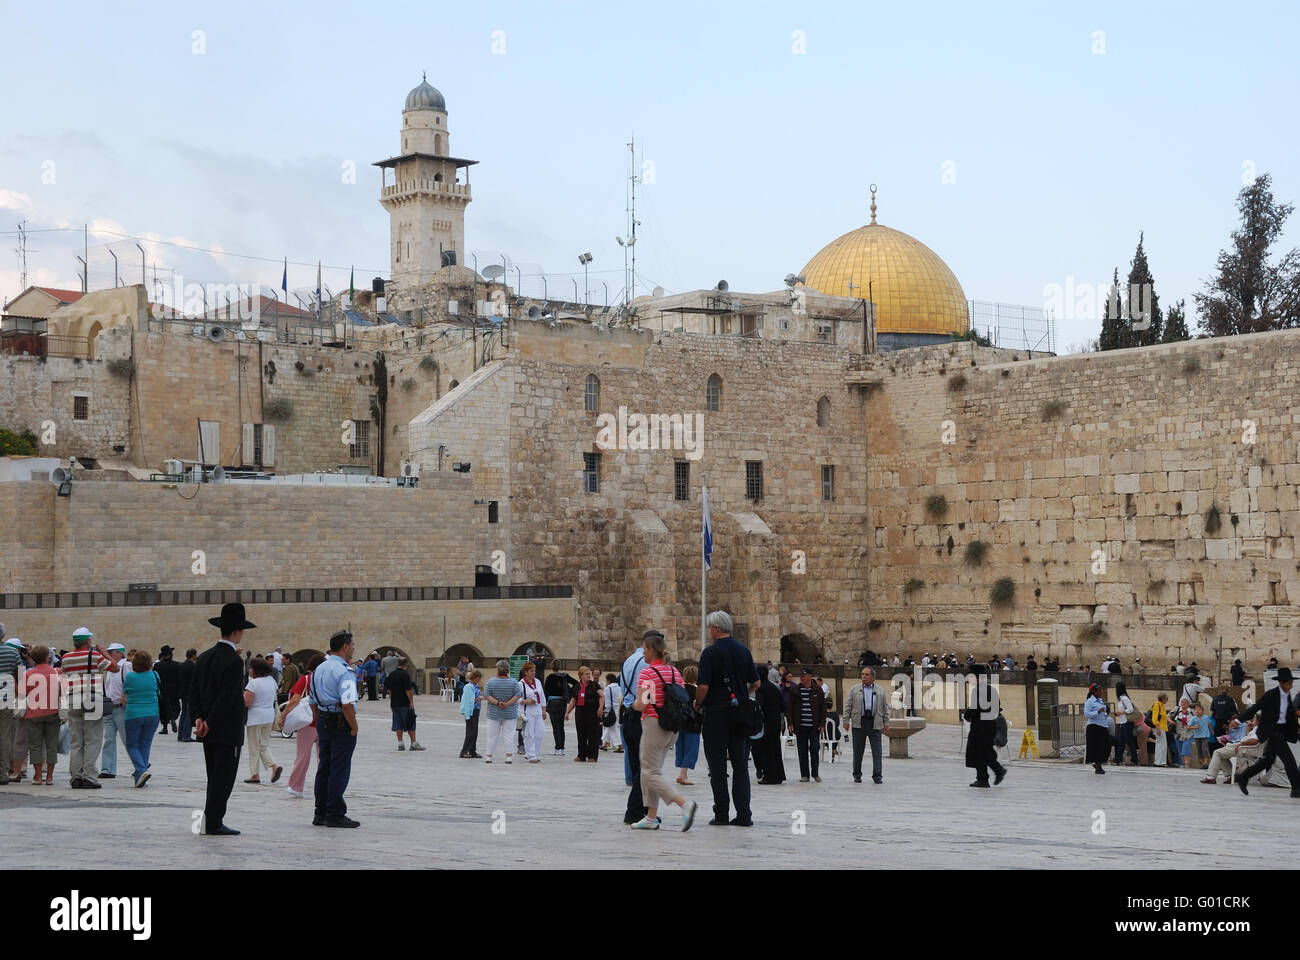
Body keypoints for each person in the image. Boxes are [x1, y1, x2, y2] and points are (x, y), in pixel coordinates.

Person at [192, 604, 254, 835]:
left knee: (213, 776)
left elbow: (194, 690)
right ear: (237, 631)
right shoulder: (234, 661)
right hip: (226, 729)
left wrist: (199, 718)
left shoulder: (205, 657)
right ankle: (213, 823)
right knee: (224, 778)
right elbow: (228, 696)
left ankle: (207, 820)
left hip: (207, 728)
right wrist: (211, 722)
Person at [695, 611, 760, 826]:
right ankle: (744, 814)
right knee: (740, 764)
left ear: (715, 628)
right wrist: (742, 695)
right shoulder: (743, 650)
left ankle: (721, 813)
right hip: (740, 713)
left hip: (716, 713)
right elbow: (756, 683)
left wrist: (698, 703)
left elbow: (703, 686)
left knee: (718, 766)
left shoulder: (709, 653)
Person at [628, 632, 697, 831]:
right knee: (651, 772)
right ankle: (651, 817)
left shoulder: (648, 673)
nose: (643, 653)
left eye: (644, 649)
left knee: (649, 771)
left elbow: (643, 704)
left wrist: (632, 705)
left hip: (654, 724)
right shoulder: (675, 672)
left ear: (650, 650)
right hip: (673, 727)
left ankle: (684, 803)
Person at [309, 629, 361, 827]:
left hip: (324, 720)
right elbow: (347, 704)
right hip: (341, 722)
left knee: (324, 767)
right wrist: (353, 726)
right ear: (345, 647)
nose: (353, 649)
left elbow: (312, 701)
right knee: (339, 767)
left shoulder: (318, 670)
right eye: (352, 646)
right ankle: (335, 813)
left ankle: (320, 812)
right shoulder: (344, 671)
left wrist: (321, 718)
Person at [61, 627, 121, 790]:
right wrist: (103, 652)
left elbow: (63, 674)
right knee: (93, 739)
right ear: (88, 641)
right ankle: (89, 777)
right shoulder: (94, 655)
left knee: (76, 741)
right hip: (92, 698)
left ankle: (76, 776)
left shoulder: (66, 657)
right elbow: (115, 668)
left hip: (73, 699)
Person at [1236, 667, 1300, 797]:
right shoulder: (1271, 694)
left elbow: (1288, 714)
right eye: (1289, 683)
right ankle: (1296, 790)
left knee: (1268, 760)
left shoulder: (1286, 695)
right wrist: (1238, 720)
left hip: (1280, 731)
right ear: (1281, 683)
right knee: (1289, 760)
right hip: (1272, 731)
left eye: (1291, 683)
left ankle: (1243, 776)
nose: (1291, 685)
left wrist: (1295, 729)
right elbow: (1256, 707)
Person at [620, 636, 651, 824]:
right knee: (645, 768)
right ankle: (635, 811)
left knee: (636, 766)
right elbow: (647, 697)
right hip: (641, 717)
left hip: (627, 716)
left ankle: (641, 810)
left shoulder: (629, 660)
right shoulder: (647, 665)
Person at [283, 654, 325, 798]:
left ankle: (296, 787)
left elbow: (295, 699)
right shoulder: (326, 680)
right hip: (324, 722)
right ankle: (324, 788)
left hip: (307, 723)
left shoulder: (306, 679)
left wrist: (283, 716)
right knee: (324, 758)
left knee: (302, 757)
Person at [121, 650, 161, 787]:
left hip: (134, 714)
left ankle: (141, 770)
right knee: (145, 744)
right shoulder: (155, 675)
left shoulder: (130, 677)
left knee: (132, 744)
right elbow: (158, 691)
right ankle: (139, 778)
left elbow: (125, 694)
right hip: (153, 713)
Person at [844, 666, 890, 784]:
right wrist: (846, 720)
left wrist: (886, 723)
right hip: (859, 723)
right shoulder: (855, 689)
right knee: (858, 750)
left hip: (875, 723)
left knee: (877, 751)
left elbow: (885, 708)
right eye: (862, 674)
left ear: (873, 677)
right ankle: (857, 774)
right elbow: (848, 706)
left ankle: (877, 775)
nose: (863, 677)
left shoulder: (880, 691)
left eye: (866, 675)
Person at [23, 645, 61, 786]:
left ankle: (38, 776)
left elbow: (23, 693)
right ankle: (49, 776)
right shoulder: (56, 672)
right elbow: (61, 692)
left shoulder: (28, 674)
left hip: (34, 713)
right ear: (48, 657)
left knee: (35, 745)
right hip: (52, 712)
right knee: (51, 745)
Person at [965, 665, 1007, 787]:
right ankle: (984, 778)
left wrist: (967, 716)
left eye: (971, 677)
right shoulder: (991, 690)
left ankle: (996, 772)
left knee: (980, 752)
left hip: (980, 726)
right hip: (991, 725)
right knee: (983, 751)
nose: (969, 679)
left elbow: (974, 708)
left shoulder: (977, 691)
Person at [243, 658, 283, 784]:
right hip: (269, 716)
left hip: (255, 717)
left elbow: (247, 703)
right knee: (263, 745)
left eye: (251, 668)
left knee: (254, 746)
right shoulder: (271, 681)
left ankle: (255, 774)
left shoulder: (253, 684)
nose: (249, 670)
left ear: (256, 670)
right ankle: (274, 767)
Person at [786, 668, 827, 783]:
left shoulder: (817, 690)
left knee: (814, 749)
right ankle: (805, 775)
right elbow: (790, 709)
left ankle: (815, 774)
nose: (802, 677)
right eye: (801, 675)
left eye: (804, 675)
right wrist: (790, 723)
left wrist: (822, 724)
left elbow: (823, 708)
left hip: (814, 727)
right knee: (802, 751)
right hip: (800, 726)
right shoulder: (795, 690)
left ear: (809, 676)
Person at [98, 642, 130, 779]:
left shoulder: (126, 666)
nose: (110, 655)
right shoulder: (109, 668)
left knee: (127, 739)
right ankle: (107, 769)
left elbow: (130, 684)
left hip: (121, 707)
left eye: (112, 652)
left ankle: (140, 764)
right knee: (108, 739)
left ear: (120, 653)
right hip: (109, 707)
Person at [481, 659, 520, 764]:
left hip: (494, 713)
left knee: (491, 735)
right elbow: (517, 695)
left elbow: (487, 695)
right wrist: (507, 704)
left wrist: (498, 703)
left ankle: (489, 756)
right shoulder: (514, 682)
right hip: (510, 713)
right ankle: (509, 756)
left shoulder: (491, 681)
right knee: (509, 735)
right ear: (508, 670)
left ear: (497, 670)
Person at [751, 671, 786, 785]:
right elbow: (783, 706)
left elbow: (760, 706)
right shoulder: (774, 687)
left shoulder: (760, 689)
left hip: (766, 723)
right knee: (776, 749)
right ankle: (779, 776)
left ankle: (769, 776)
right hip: (775, 722)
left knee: (766, 750)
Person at [1202, 717, 1260, 784]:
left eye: (1254, 719)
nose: (1253, 721)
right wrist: (1248, 729)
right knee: (1221, 754)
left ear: (1258, 721)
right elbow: (1250, 738)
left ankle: (1211, 777)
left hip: (1244, 748)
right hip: (1246, 747)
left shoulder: (1259, 729)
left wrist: (1241, 743)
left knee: (1217, 753)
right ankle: (1232, 776)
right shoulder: (1258, 728)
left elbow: (1255, 741)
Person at [387, 656, 423, 752]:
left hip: (394, 703)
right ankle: (413, 743)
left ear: (397, 664)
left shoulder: (392, 674)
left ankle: (400, 743)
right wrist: (411, 702)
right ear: (406, 665)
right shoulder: (405, 675)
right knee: (410, 721)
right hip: (404, 703)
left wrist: (392, 698)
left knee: (397, 723)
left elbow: (389, 690)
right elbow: (408, 690)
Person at [566, 664, 602, 762]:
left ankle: (592, 756)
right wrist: (567, 712)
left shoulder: (594, 685)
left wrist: (600, 708)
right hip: (580, 714)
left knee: (592, 735)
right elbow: (573, 700)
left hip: (592, 714)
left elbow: (602, 696)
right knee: (581, 735)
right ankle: (581, 755)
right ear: (581, 676)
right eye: (586, 674)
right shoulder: (577, 686)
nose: (588, 676)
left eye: (589, 674)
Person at [513, 660, 545, 763]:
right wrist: (526, 701)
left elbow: (542, 696)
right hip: (527, 711)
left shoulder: (538, 681)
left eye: (534, 671)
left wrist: (544, 709)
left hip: (538, 710)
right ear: (526, 672)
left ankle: (533, 753)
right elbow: (516, 698)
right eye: (531, 671)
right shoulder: (521, 684)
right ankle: (531, 755)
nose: (533, 673)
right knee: (529, 733)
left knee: (540, 732)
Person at [674, 665, 701, 785]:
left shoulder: (679, 690)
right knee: (691, 749)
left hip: (680, 723)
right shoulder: (697, 691)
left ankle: (682, 772)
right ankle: (683, 775)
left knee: (681, 747)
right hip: (693, 723)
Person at [543, 665, 576, 756]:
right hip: (562, 702)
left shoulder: (550, 677)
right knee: (561, 726)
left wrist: (544, 705)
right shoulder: (565, 676)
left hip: (553, 702)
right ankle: (562, 748)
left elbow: (545, 691)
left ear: (552, 668)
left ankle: (557, 748)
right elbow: (576, 683)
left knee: (555, 726)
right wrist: (570, 692)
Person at [154, 645, 181, 735]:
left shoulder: (157, 666)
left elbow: (155, 678)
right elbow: (179, 678)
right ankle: (173, 718)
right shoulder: (177, 665)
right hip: (174, 689)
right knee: (175, 706)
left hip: (162, 690)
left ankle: (164, 727)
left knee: (163, 708)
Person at [1084, 683, 1110, 774]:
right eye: (1099, 690)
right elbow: (1086, 714)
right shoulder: (1089, 701)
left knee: (1105, 747)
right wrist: (1097, 712)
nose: (1101, 692)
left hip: (1102, 726)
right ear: (1094, 692)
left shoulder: (1100, 700)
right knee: (1097, 748)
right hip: (1094, 727)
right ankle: (1098, 766)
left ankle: (1098, 765)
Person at [1112, 682, 1138, 765]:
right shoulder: (1121, 699)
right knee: (1121, 741)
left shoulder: (1124, 698)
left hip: (1127, 722)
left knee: (1129, 741)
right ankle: (1118, 759)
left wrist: (1121, 713)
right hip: (1123, 722)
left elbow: (1130, 709)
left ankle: (1134, 759)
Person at [459, 669, 483, 758]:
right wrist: (479, 698)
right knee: (470, 732)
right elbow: (469, 701)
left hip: (476, 711)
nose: (479, 680)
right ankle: (464, 751)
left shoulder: (475, 686)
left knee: (475, 732)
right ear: (475, 678)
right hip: (470, 711)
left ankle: (473, 751)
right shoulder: (469, 687)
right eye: (479, 678)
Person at [178, 648, 198, 741]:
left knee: (184, 713)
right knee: (188, 714)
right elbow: (193, 681)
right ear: (193, 655)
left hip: (183, 692)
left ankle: (180, 735)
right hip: (189, 693)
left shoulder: (182, 665)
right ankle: (186, 735)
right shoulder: (192, 666)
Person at [601, 673, 623, 753]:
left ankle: (620, 745)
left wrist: (606, 710)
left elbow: (607, 701)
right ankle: (605, 743)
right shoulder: (620, 688)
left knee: (613, 728)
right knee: (610, 726)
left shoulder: (608, 688)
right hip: (618, 709)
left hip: (611, 710)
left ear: (608, 680)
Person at [1188, 703, 1215, 768]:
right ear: (1194, 711)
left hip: (1205, 736)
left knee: (1204, 748)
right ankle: (1203, 763)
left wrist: (1212, 731)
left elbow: (1209, 724)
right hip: (1197, 736)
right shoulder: (1193, 719)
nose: (1198, 711)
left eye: (1199, 709)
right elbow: (1188, 727)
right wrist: (1195, 727)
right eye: (1196, 710)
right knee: (1199, 750)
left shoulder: (1206, 717)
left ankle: (1206, 762)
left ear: (1202, 711)